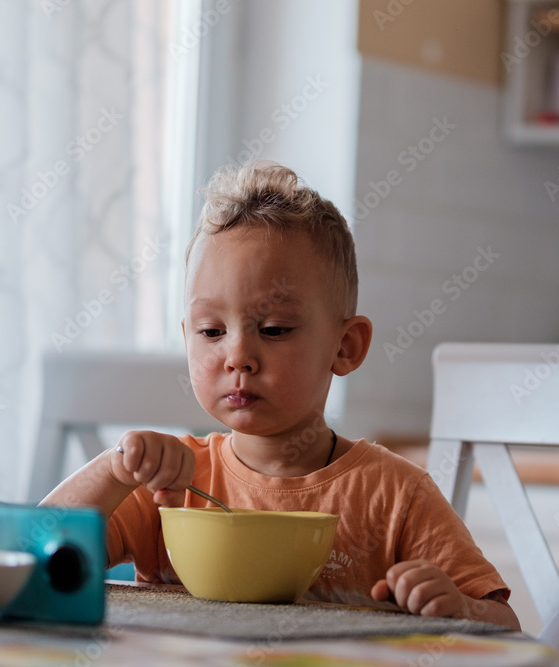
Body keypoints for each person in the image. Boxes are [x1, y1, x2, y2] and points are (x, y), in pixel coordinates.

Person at [41, 161, 519, 629]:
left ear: (345, 346)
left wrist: (455, 606)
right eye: (210, 331)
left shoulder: (396, 497)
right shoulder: (171, 485)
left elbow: (504, 624)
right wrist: (115, 468)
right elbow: (35, 551)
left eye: (273, 329)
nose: (238, 356)